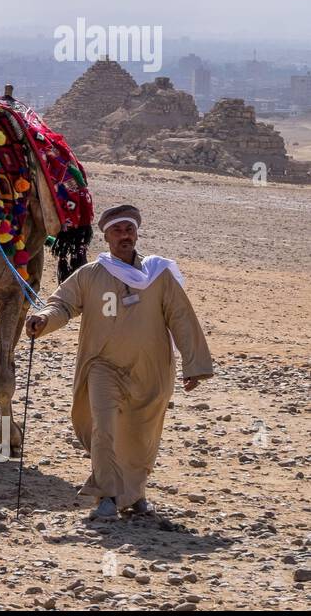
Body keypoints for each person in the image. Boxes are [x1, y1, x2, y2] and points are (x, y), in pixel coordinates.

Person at [24, 204, 213, 518]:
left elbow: (181, 318)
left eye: (129, 230)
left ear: (136, 233)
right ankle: (109, 496)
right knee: (105, 429)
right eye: (117, 231)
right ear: (106, 236)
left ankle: (134, 493)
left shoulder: (158, 274)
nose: (124, 236)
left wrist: (194, 366)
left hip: (149, 370)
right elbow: (62, 305)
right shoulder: (90, 275)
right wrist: (44, 320)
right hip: (103, 366)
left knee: (140, 435)